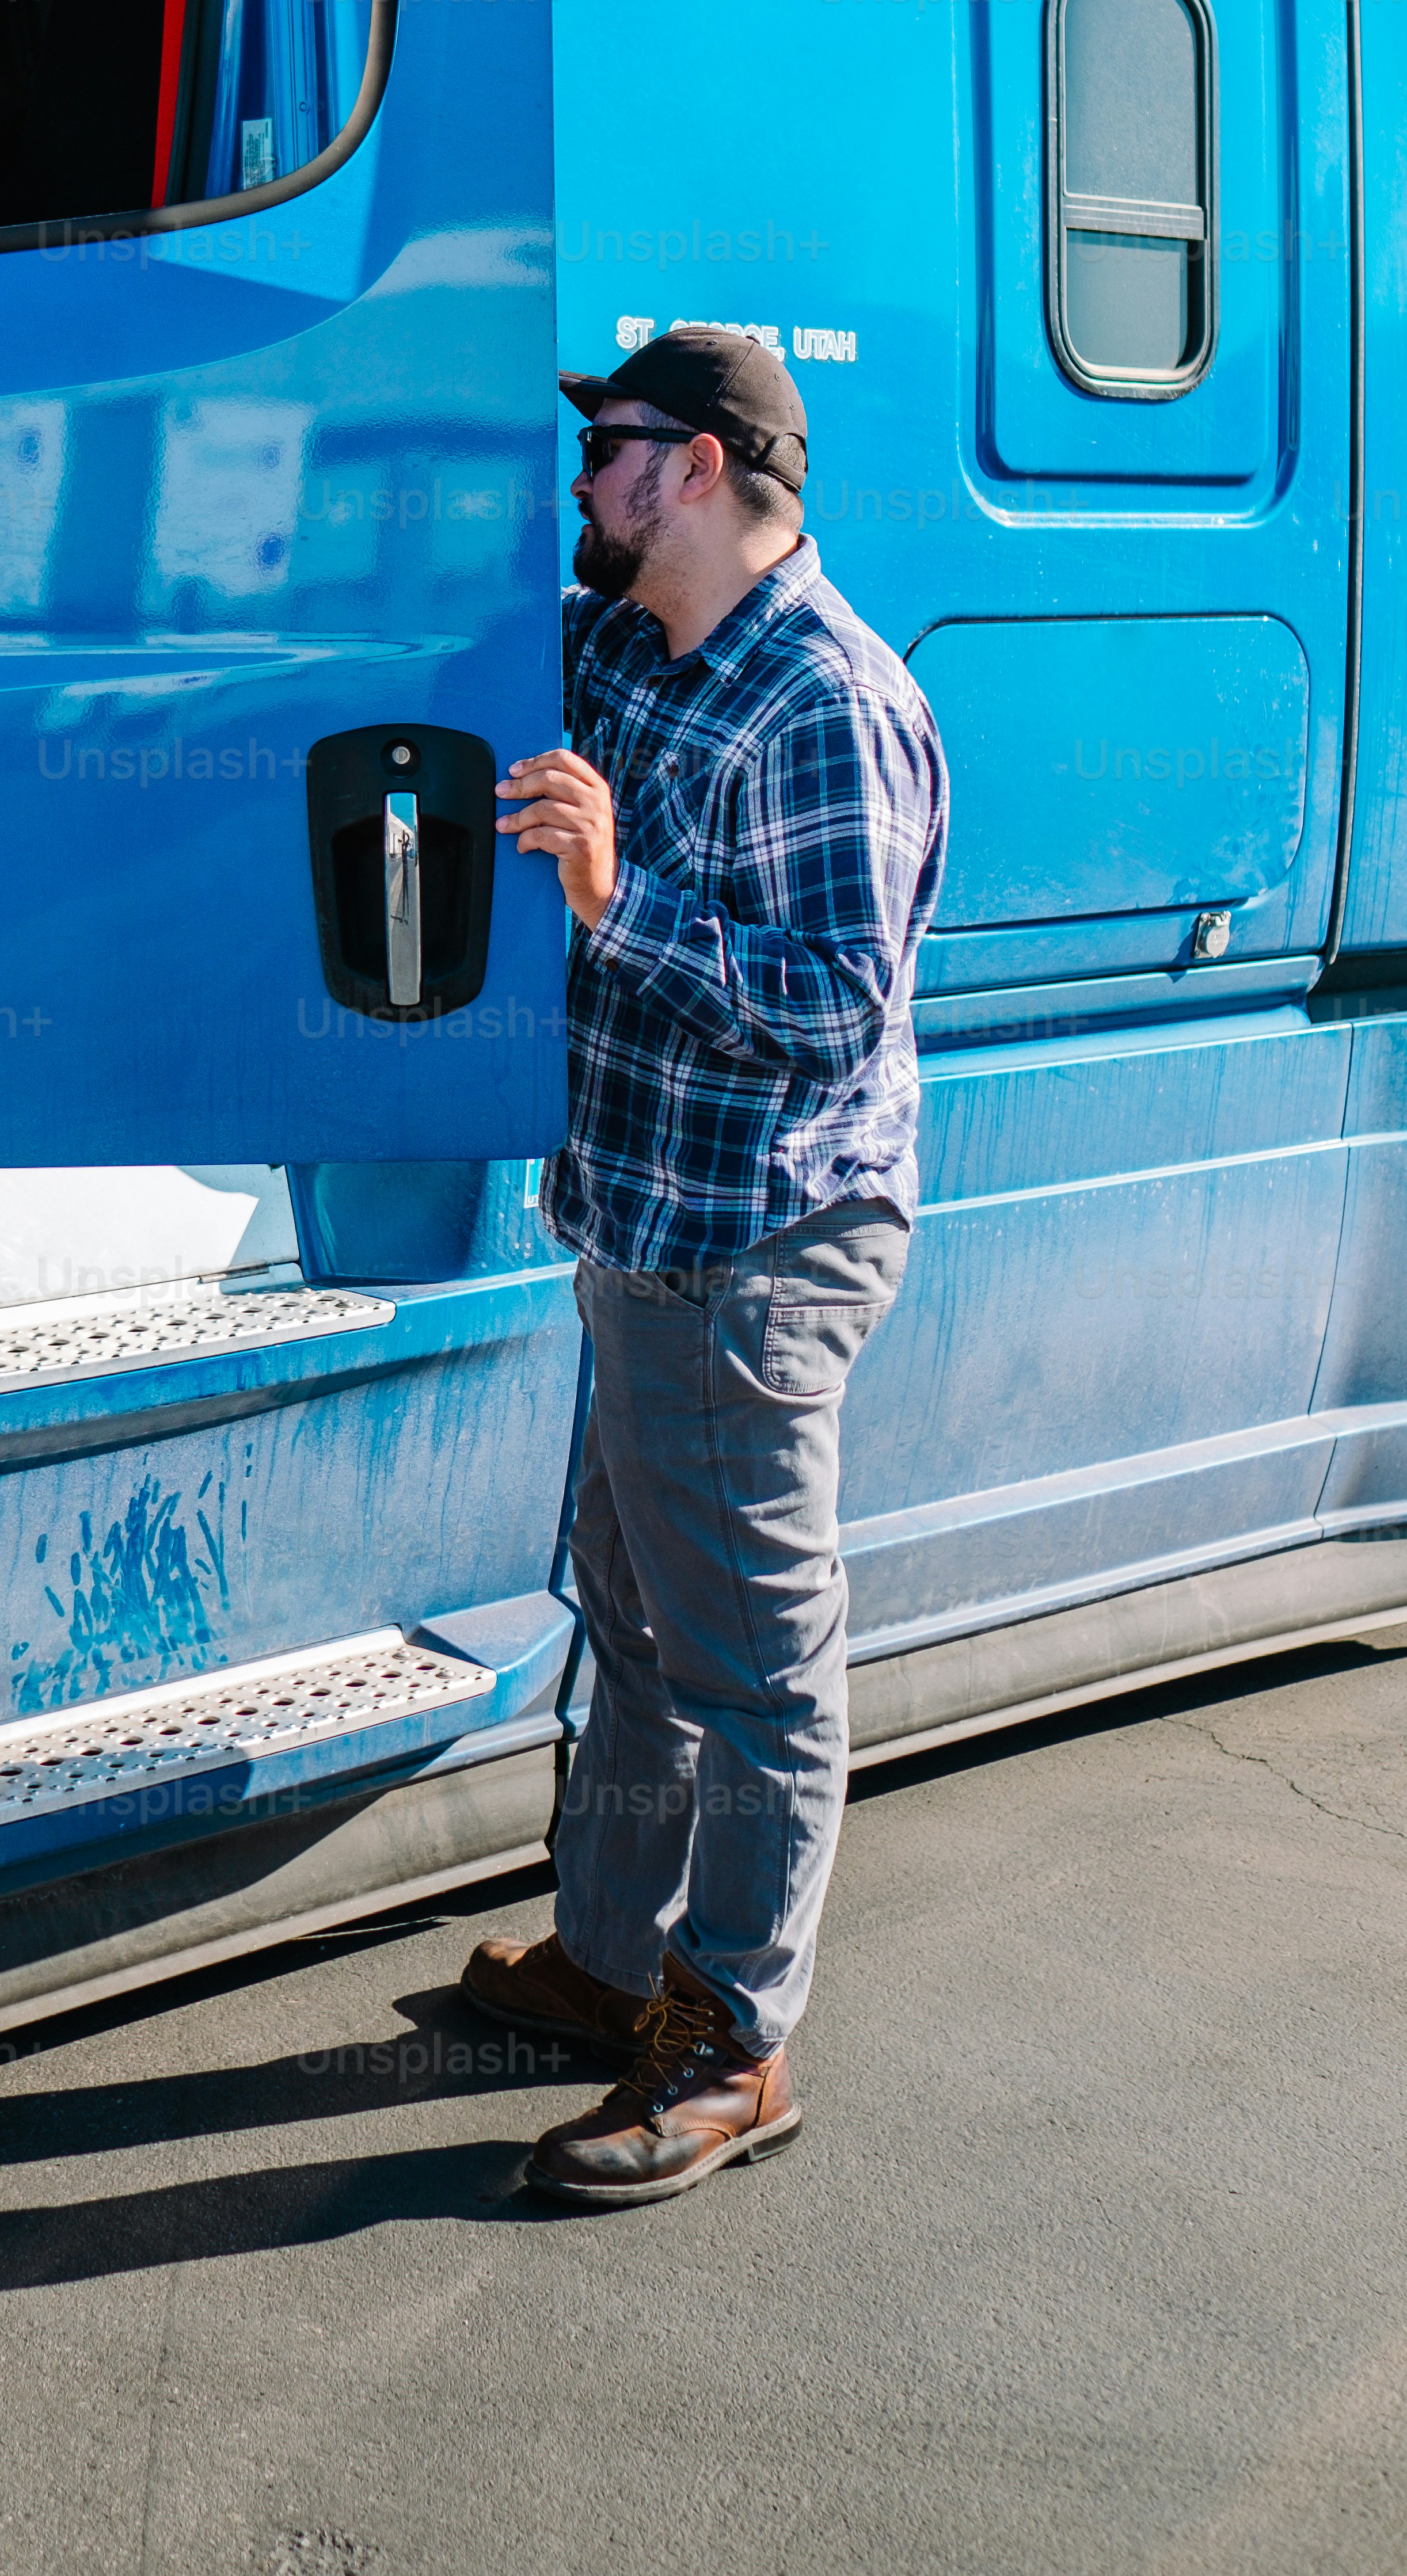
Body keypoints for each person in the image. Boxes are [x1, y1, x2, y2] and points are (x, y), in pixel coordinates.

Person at [462, 325, 947, 2207]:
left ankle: (735, 2044)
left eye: (614, 446)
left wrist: (614, 904)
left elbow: (833, 1015)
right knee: (636, 1602)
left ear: (706, 470)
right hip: (649, 1220)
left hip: (763, 1245)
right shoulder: (632, 651)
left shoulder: (829, 700)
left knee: (750, 1654)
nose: (585, 473)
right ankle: (610, 1960)